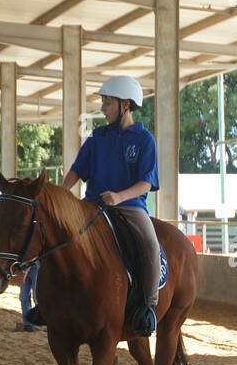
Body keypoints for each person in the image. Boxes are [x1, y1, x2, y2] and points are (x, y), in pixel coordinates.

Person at [61, 75, 160, 336]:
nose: (103, 108)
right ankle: (51, 301)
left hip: (130, 206)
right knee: (57, 235)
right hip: (92, 205)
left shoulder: (144, 140)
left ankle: (149, 307)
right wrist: (61, 194)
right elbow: (76, 171)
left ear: (125, 105)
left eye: (107, 102)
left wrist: (119, 197)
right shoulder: (97, 138)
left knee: (150, 244)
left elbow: (146, 183)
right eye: (103, 102)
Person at [18, 261, 41, 332]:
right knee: (24, 296)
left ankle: (38, 322)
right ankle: (28, 324)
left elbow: (32, 257)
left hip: (36, 267)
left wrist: (24, 273)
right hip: (23, 267)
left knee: (37, 297)